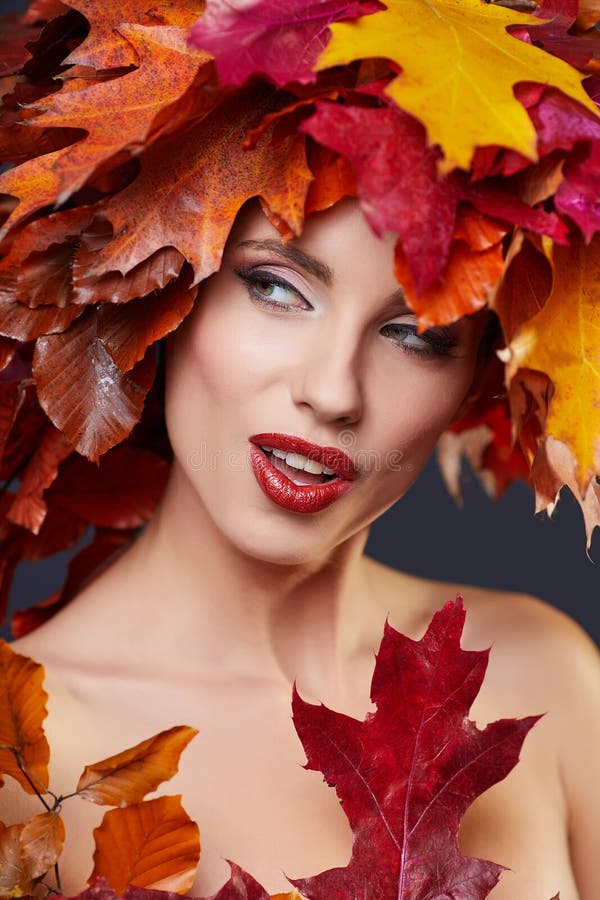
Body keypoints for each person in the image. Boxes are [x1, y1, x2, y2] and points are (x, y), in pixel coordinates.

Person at [1, 1, 599, 898]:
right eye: (276, 288)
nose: (331, 391)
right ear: (169, 288)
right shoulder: (22, 770)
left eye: (417, 335)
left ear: (480, 378)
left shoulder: (545, 678)